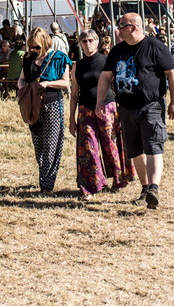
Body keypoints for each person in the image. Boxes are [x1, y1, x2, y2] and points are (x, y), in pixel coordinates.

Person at [95, 13, 174, 210]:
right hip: (125, 107)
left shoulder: (155, 47)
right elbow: (105, 77)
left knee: (153, 147)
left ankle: (154, 188)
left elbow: (172, 73)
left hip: (151, 106)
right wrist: (100, 101)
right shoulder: (117, 51)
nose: (118, 29)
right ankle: (145, 189)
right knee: (134, 151)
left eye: (121, 26)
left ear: (133, 27)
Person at [68, 29, 132, 197]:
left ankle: (118, 180)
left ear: (97, 41)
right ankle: (92, 184)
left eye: (90, 40)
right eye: (84, 41)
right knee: (88, 147)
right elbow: (74, 94)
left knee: (110, 144)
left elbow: (119, 84)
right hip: (85, 109)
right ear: (80, 45)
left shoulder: (106, 60)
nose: (88, 44)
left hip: (107, 107)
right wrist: (71, 119)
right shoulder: (77, 66)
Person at [19, 27, 72, 192]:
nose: (34, 50)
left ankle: (47, 184)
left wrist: (48, 83)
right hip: (33, 105)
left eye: (37, 47)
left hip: (52, 103)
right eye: (31, 47)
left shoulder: (59, 58)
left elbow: (65, 83)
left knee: (51, 145)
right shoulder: (28, 58)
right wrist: (23, 91)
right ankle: (44, 177)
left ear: (45, 42)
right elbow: (21, 79)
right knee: (38, 144)